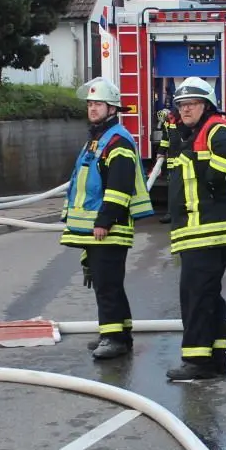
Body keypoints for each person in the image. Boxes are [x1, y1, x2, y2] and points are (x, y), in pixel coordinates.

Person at [60, 77, 154, 361]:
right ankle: (118, 335)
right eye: (90, 104)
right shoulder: (99, 139)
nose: (92, 108)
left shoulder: (117, 141)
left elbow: (118, 187)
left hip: (109, 228)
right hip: (99, 228)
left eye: (98, 104)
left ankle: (113, 339)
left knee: (107, 285)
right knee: (107, 284)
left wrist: (104, 221)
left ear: (112, 108)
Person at [164, 77, 226, 381]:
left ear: (207, 105)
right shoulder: (193, 133)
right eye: (182, 105)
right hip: (198, 230)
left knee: (195, 296)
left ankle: (197, 360)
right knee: (207, 295)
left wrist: (212, 178)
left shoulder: (215, 129)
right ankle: (216, 358)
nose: (185, 110)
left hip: (207, 229)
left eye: (192, 104)